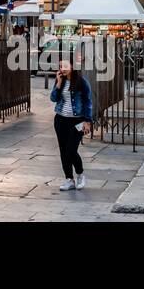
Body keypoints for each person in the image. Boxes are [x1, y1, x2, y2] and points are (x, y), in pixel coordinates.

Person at [50, 59, 93, 191]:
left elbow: (88, 102)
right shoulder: (60, 81)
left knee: (71, 150)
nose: (63, 68)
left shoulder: (82, 82)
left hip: (77, 121)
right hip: (60, 120)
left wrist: (87, 121)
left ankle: (80, 174)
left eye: (66, 66)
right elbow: (53, 98)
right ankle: (69, 179)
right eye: (61, 66)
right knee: (63, 151)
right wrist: (58, 83)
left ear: (73, 66)